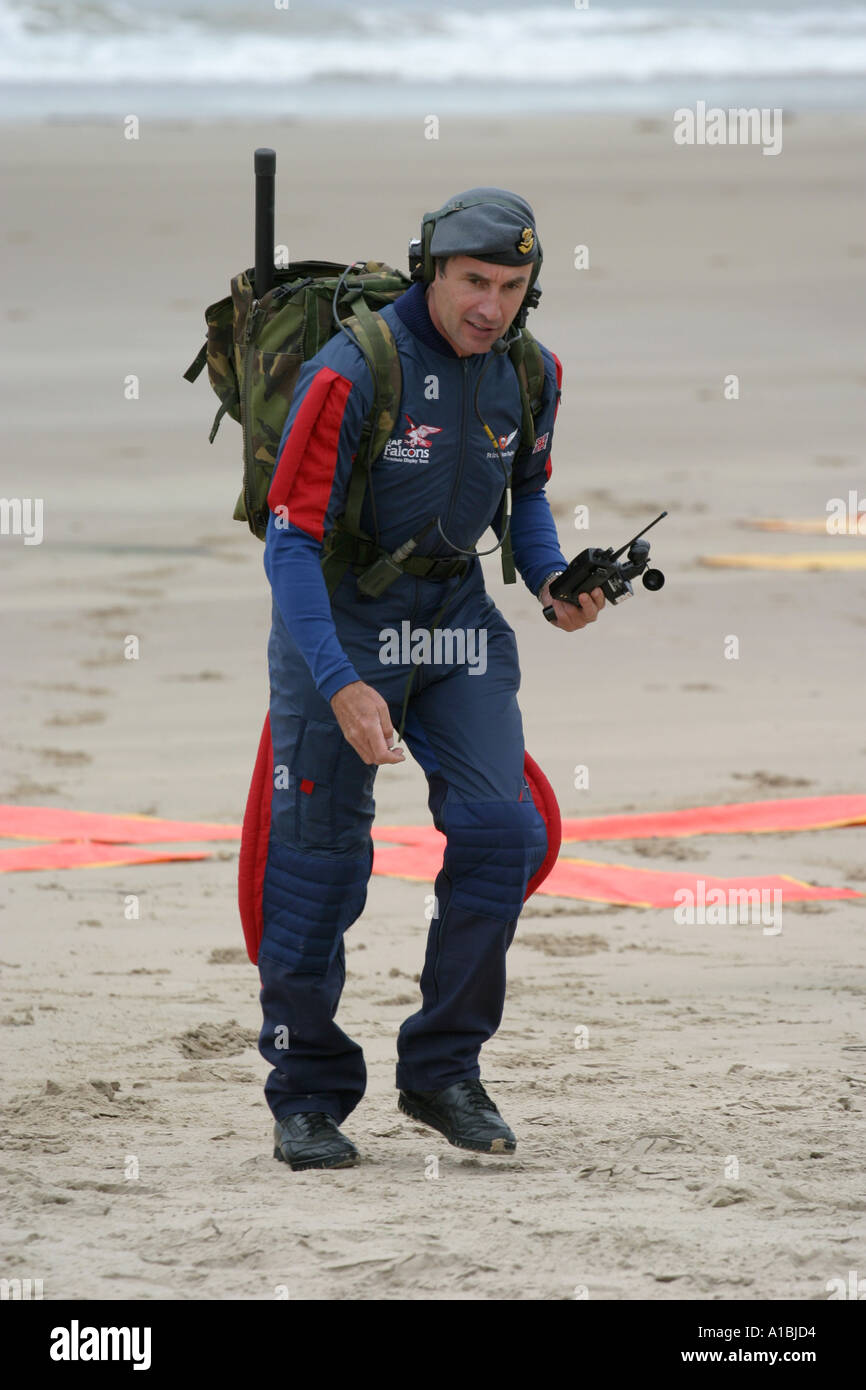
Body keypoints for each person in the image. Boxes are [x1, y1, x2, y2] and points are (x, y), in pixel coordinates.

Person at [257, 187, 606, 1171]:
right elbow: (289, 546)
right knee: (321, 864)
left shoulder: (530, 372)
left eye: (511, 286)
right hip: (342, 620)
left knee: (503, 832)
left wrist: (552, 583)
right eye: (472, 282)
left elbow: (524, 493)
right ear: (431, 271)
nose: (490, 306)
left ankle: (443, 1070)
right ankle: (306, 1095)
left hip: (455, 622)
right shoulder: (351, 370)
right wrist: (338, 681)